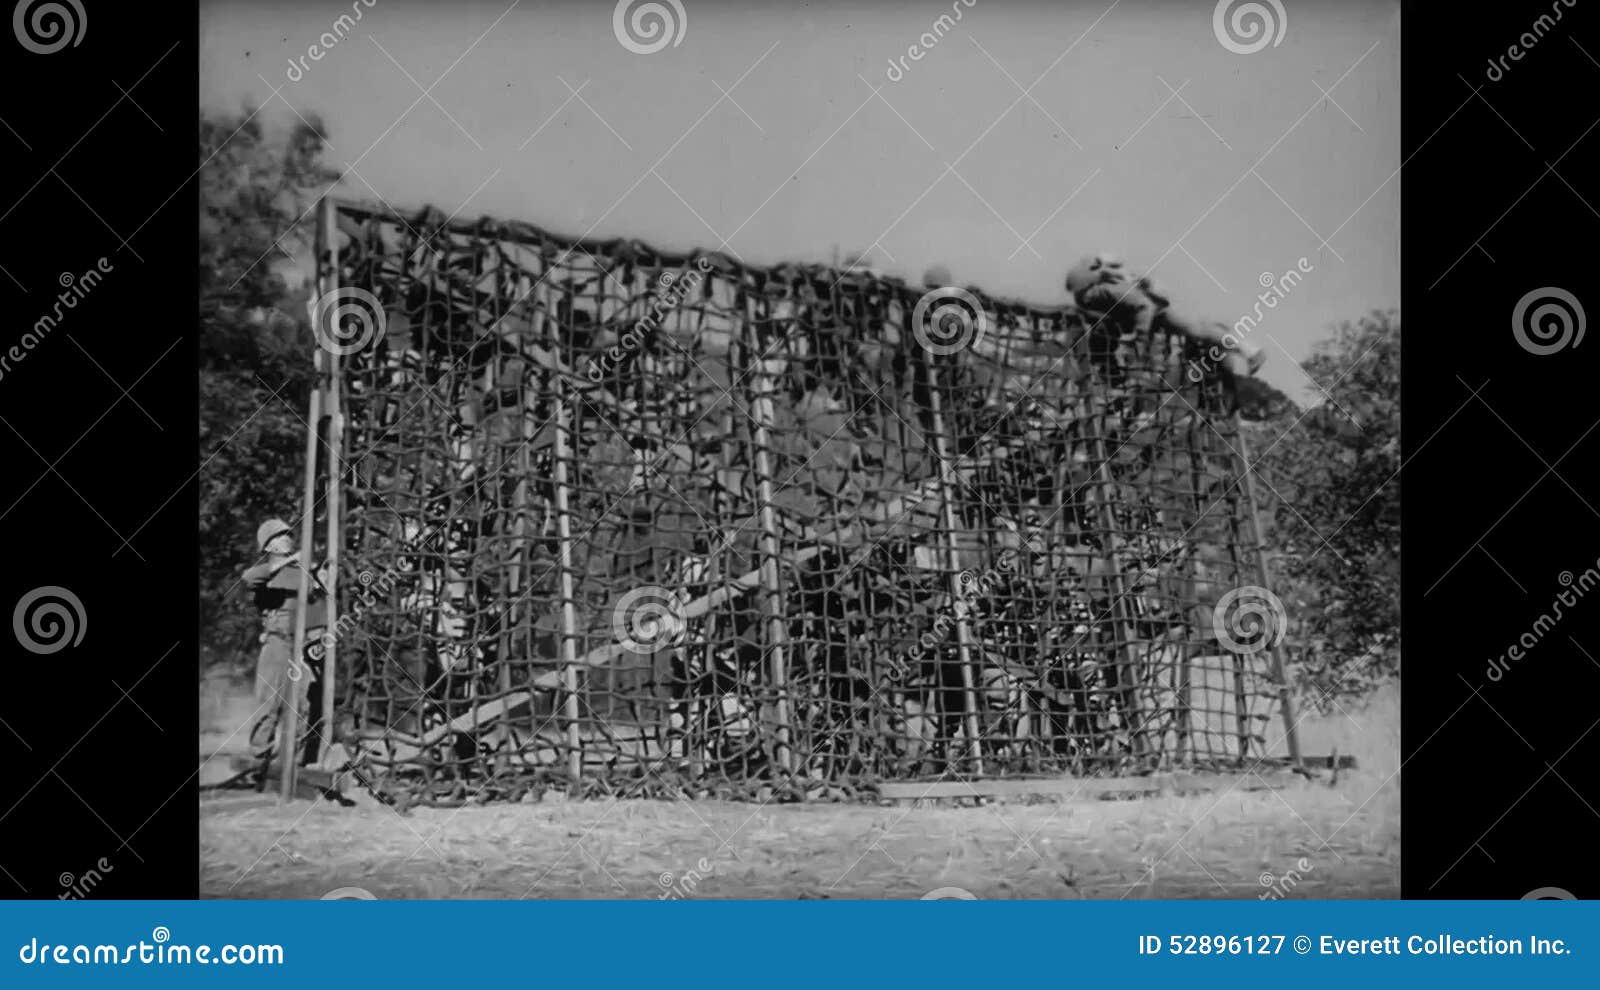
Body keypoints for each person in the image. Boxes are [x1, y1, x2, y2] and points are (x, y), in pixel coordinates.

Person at [1064, 252, 1265, 378]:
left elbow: (1143, 306)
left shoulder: (1105, 290)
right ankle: (1244, 350)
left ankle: (1249, 351)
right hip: (1153, 310)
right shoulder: (1105, 286)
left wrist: (1139, 338)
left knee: (1197, 330)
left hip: (1157, 310)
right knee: (1199, 329)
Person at [242, 517, 330, 766]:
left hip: (301, 646)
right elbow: (249, 579)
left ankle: (293, 761)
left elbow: (319, 606)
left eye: (289, 534)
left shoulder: (303, 571)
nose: (288, 538)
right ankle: (259, 760)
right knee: (270, 704)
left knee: (301, 705)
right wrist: (294, 560)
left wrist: (321, 579)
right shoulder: (265, 569)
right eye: (280, 536)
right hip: (277, 643)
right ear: (268, 546)